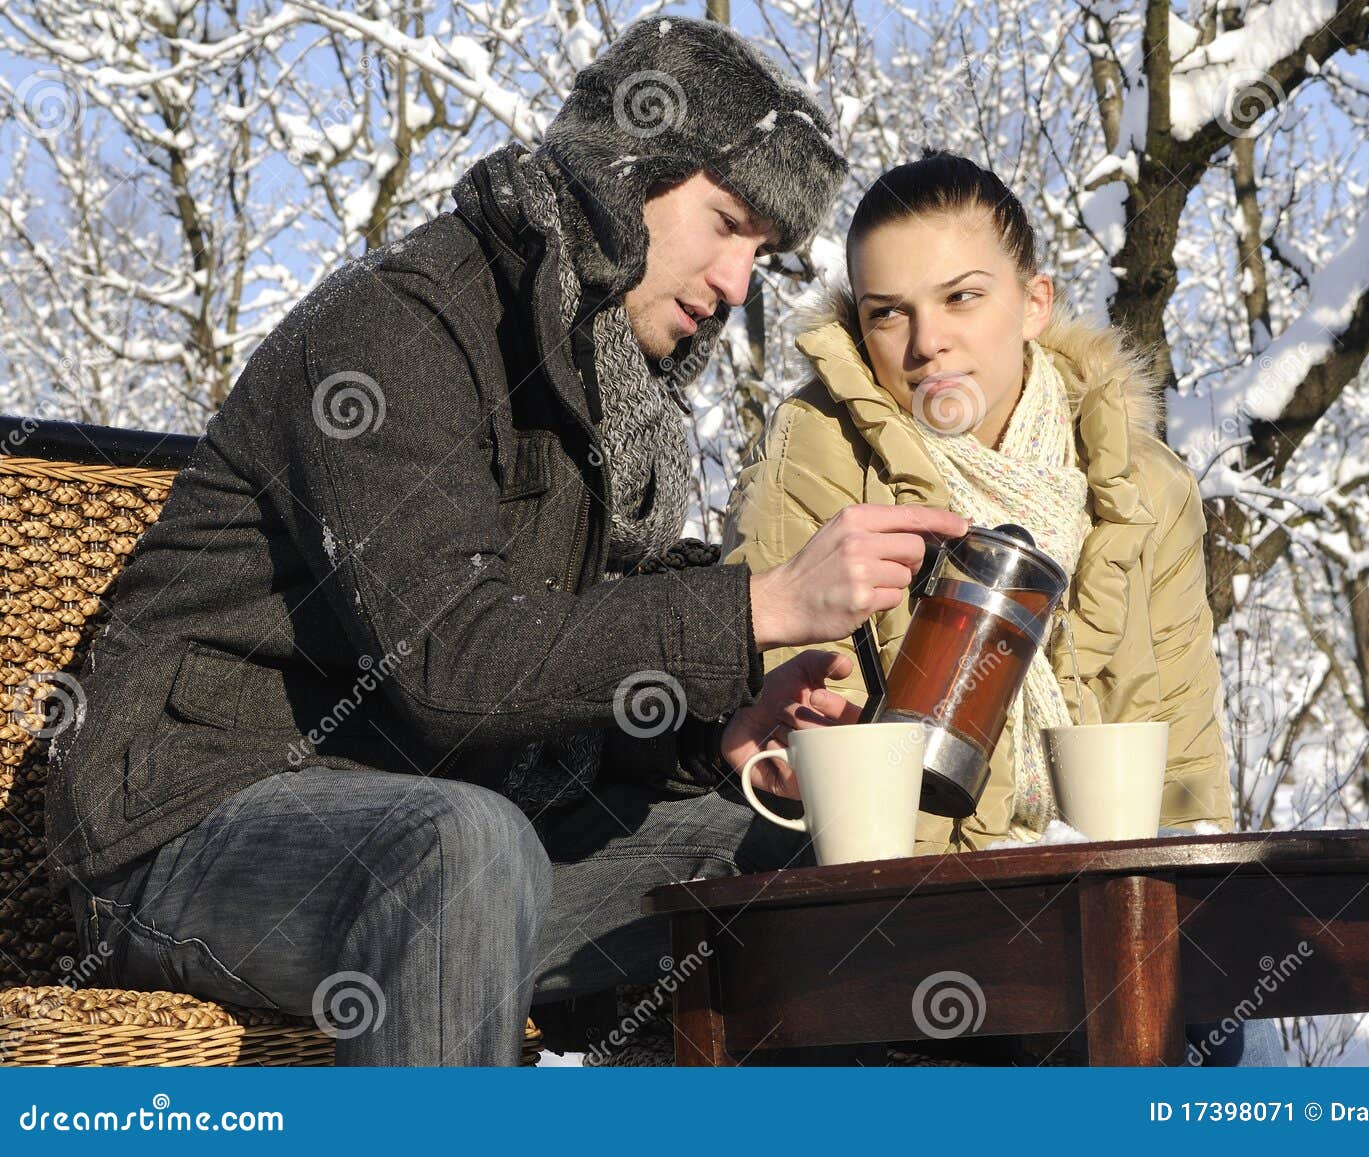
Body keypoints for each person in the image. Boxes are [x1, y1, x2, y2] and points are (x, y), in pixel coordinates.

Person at [46, 18, 967, 1066]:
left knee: (797, 861)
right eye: (726, 224)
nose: (736, 284)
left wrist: (714, 722)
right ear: (627, 172)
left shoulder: (601, 377)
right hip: (197, 821)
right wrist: (754, 606)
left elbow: (553, 664)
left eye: (764, 252)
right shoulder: (402, 326)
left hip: (453, 828)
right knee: (458, 852)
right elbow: (453, 663)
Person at [723, 151, 1283, 1066]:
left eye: (962, 298)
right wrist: (796, 738)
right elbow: (778, 692)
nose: (926, 341)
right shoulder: (817, 447)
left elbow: (1183, 749)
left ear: (1035, 302)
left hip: (1103, 902)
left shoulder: (1145, 485)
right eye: (887, 312)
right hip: (901, 912)